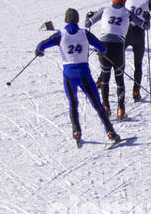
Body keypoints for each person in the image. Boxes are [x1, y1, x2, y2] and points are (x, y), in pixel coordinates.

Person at [35, 8, 121, 147]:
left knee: (73, 104)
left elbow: (41, 45)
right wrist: (100, 50)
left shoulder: (59, 35)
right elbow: (102, 47)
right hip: (84, 74)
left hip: (69, 76)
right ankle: (110, 132)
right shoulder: (85, 34)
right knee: (97, 104)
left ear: (65, 20)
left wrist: (39, 51)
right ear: (78, 19)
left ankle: (76, 131)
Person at [86, 0, 132, 119]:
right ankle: (121, 110)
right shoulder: (128, 12)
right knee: (119, 79)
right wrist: (147, 17)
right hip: (118, 47)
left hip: (103, 46)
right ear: (124, 2)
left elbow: (87, 24)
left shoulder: (104, 9)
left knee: (105, 78)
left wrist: (88, 16)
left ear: (113, 1)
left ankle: (105, 107)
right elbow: (144, 25)